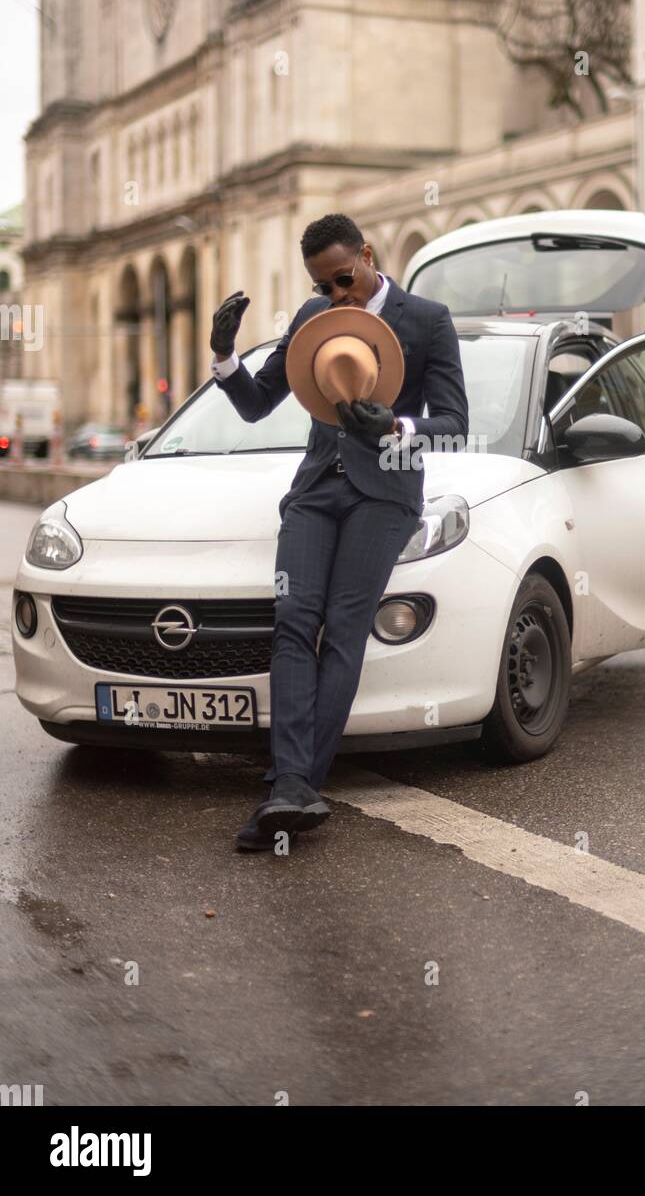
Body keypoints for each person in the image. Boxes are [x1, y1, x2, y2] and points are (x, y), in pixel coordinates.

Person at [210, 213, 469, 850]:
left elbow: (457, 424)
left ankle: (289, 787)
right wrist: (224, 355)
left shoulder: (426, 319)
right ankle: (293, 787)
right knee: (295, 621)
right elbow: (255, 403)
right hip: (314, 493)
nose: (338, 296)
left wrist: (399, 429)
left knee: (344, 630)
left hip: (385, 493)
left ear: (368, 255)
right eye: (325, 286)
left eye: (344, 279)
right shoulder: (311, 319)